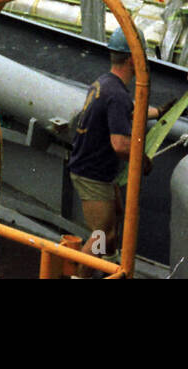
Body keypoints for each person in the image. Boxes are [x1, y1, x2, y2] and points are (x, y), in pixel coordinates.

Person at [67, 27, 161, 276]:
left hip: (94, 169)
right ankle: (81, 275)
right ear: (132, 58)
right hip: (92, 174)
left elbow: (127, 110)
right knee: (102, 234)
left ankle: (109, 267)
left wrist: (160, 113)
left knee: (116, 215)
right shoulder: (117, 93)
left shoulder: (104, 83)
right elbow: (119, 144)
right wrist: (142, 159)